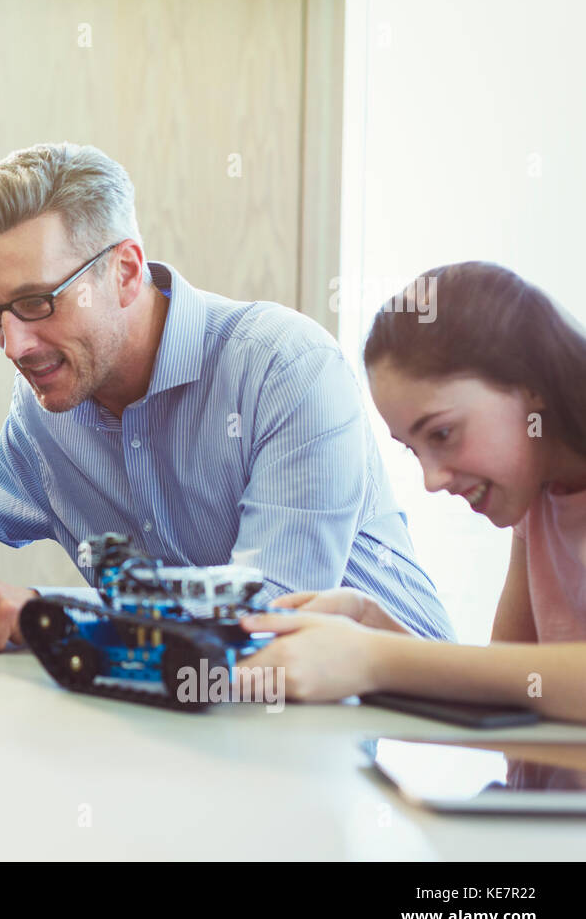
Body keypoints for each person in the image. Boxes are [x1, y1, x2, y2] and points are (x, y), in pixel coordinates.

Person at [0, 142, 451, 650]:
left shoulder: (285, 365)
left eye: (36, 302)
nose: (13, 344)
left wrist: (40, 611)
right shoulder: (44, 416)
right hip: (213, 720)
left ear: (125, 271)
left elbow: (273, 609)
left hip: (396, 722)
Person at [239, 262, 586, 722]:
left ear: (531, 387)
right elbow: (514, 687)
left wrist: (376, 659)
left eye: (442, 434)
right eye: (413, 451)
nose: (432, 480)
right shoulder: (536, 502)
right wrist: (372, 625)